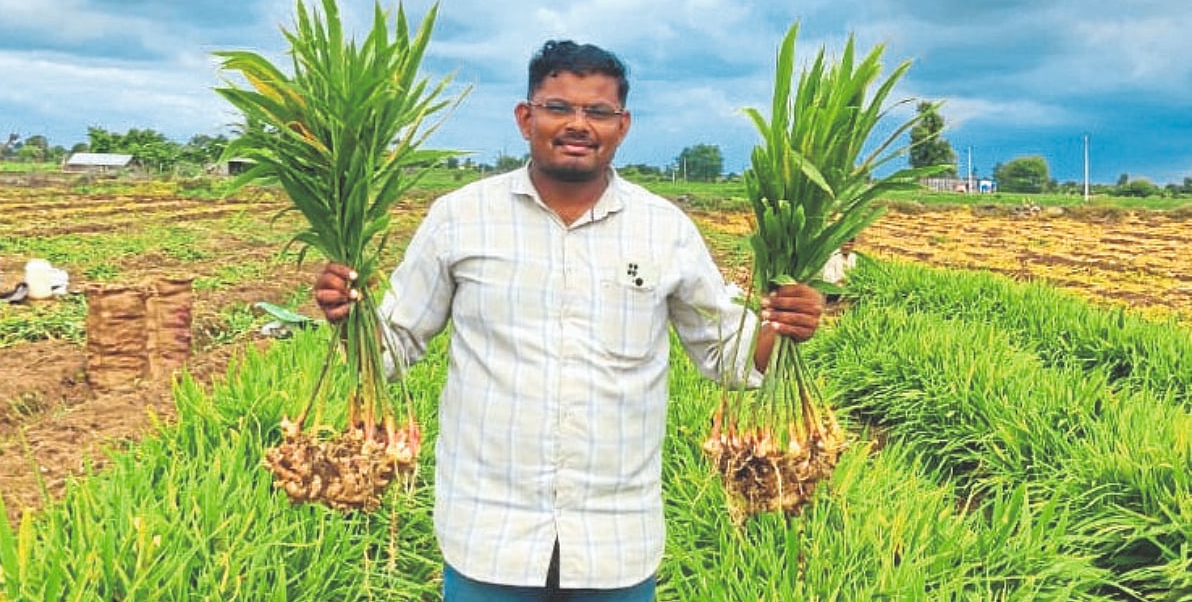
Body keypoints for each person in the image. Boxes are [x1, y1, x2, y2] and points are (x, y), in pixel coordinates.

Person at [314, 40, 824, 601]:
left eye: (598, 112)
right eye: (558, 107)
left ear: (622, 125)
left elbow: (725, 353)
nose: (578, 124)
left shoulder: (664, 229)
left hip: (616, 539)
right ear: (525, 117)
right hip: (488, 534)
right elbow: (396, 344)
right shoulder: (459, 218)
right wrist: (348, 316)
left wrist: (785, 325)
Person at [822, 239, 857, 303]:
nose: (847, 247)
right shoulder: (833, 257)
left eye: (850, 245)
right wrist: (840, 281)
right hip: (835, 291)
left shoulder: (853, 256)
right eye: (845, 244)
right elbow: (828, 279)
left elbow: (854, 272)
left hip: (849, 288)